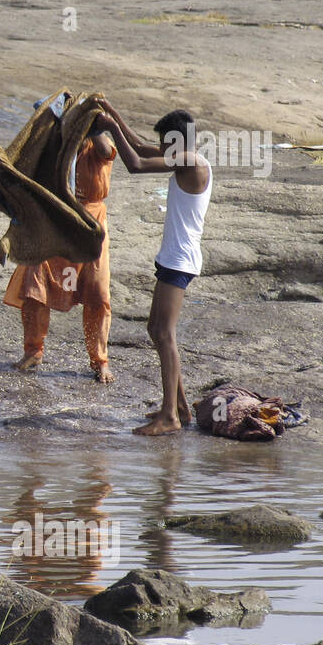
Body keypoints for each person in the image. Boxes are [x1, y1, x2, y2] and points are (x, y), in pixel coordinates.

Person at [92, 101, 212, 435]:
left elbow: (138, 162)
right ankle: (180, 408)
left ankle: (170, 418)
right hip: (171, 258)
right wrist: (114, 114)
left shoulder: (193, 162)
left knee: (164, 333)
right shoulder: (183, 156)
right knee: (154, 329)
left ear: (178, 143)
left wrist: (110, 129)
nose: (161, 149)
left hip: (181, 261)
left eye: (165, 143)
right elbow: (144, 147)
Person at [4, 129, 118, 382]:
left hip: (91, 223)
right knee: (36, 284)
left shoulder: (97, 147)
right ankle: (33, 350)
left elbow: (107, 150)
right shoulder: (57, 150)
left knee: (97, 292)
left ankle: (100, 361)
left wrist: (90, 123)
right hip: (57, 218)